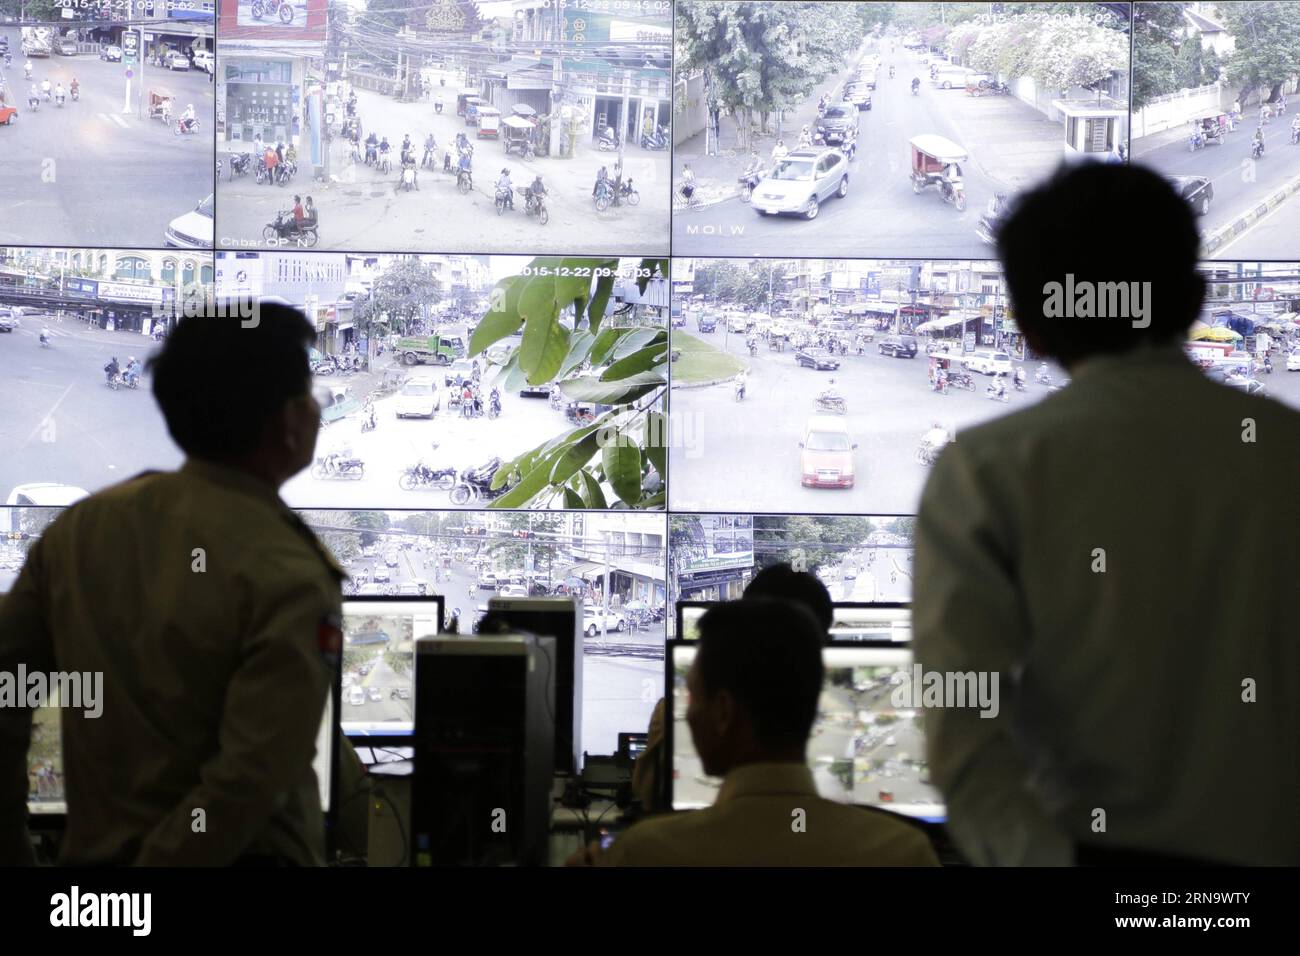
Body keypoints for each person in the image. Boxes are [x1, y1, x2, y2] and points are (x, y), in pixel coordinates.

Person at [914, 162, 1300, 866]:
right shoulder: (1283, 450)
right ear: (1193, 297)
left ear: (1029, 325)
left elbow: (962, 726)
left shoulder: (986, 469)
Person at [0, 303, 363, 866]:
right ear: (287, 421)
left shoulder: (83, 530)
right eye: (310, 395)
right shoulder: (288, 571)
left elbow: (7, 684)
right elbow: (248, 780)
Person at [575, 600, 939, 867]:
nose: (686, 713)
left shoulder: (648, 852)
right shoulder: (904, 851)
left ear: (722, 712)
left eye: (692, 696)